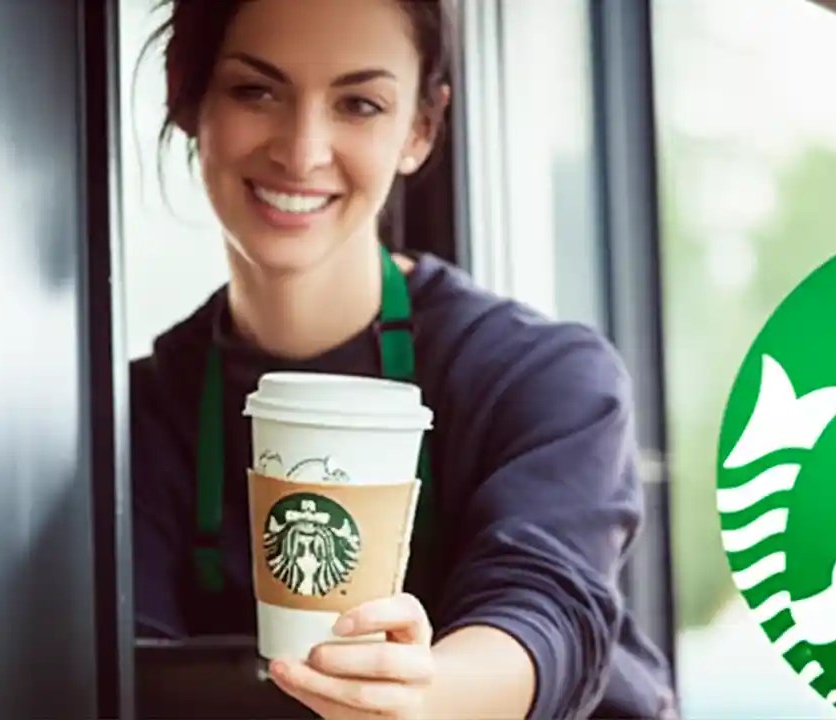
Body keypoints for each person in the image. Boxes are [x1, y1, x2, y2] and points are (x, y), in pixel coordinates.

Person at [130, 0, 677, 717]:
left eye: (359, 104)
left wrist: (425, 696)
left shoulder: (540, 376)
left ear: (420, 128)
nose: (302, 150)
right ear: (185, 91)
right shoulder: (136, 417)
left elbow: (548, 612)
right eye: (256, 91)